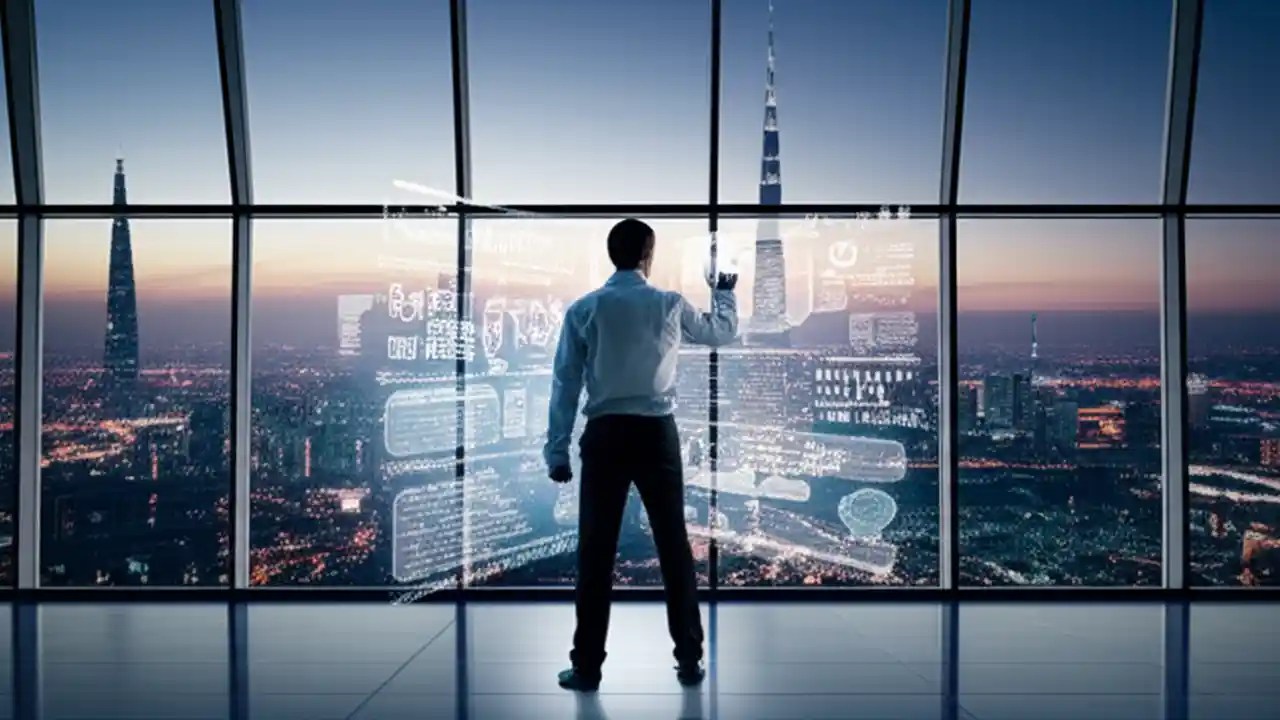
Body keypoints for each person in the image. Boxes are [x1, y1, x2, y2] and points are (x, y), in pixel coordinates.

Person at [544, 218, 739, 692]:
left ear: (612, 254)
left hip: (605, 435)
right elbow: (720, 332)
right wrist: (724, 292)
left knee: (596, 553)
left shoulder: (584, 309)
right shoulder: (669, 304)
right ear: (648, 255)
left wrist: (557, 451)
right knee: (673, 547)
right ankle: (689, 660)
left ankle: (587, 668)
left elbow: (565, 384)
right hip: (656, 435)